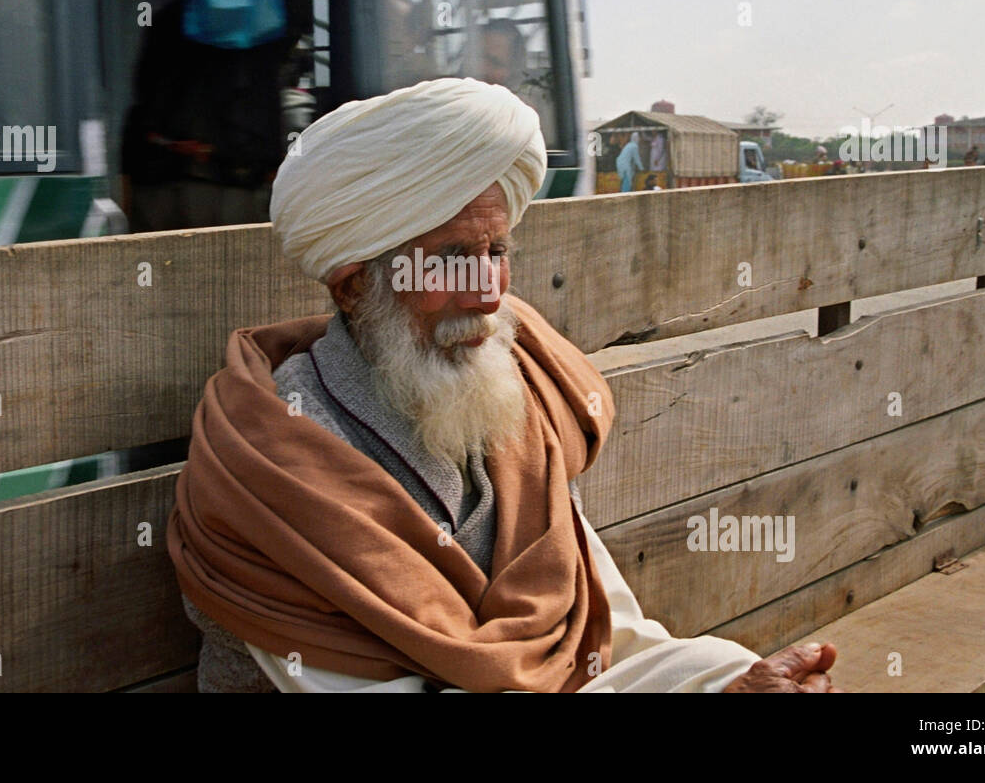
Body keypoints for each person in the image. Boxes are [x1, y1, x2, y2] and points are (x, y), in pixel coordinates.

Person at [167, 77, 842, 693]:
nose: (489, 292)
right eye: (454, 258)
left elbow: (609, 641)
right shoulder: (271, 462)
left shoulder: (506, 400)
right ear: (354, 287)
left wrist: (726, 683)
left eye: (496, 253)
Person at [121, 0, 313, 231]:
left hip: (202, 183)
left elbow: (143, 101)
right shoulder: (259, 26)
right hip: (193, 184)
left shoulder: (260, 25)